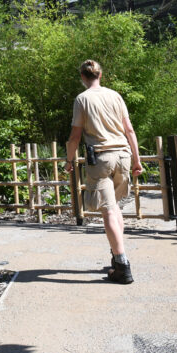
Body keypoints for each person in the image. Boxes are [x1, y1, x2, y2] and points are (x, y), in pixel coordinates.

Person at [65, 59, 142, 284]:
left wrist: (69, 160)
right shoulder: (115, 96)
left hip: (101, 158)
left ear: (83, 77)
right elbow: (130, 130)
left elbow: (75, 136)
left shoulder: (82, 99)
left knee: (108, 210)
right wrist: (137, 160)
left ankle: (122, 265)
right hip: (123, 156)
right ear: (100, 75)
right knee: (114, 207)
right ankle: (117, 257)